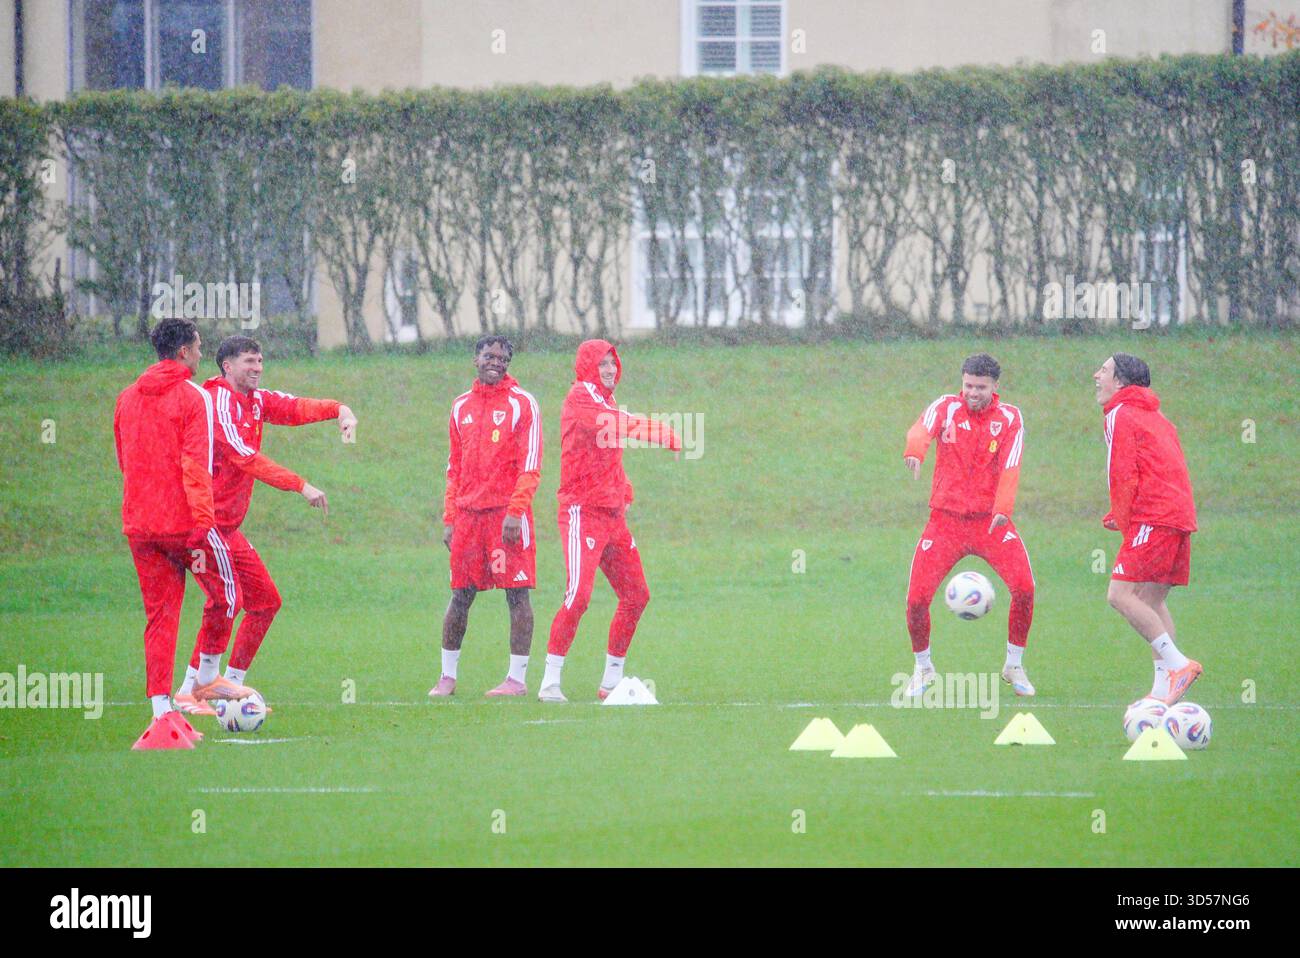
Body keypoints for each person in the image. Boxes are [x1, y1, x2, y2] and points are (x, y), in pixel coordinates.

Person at [172, 335, 356, 714]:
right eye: (249, 361)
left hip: (227, 528)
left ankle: (231, 691)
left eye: (260, 361)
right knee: (225, 601)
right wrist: (300, 485)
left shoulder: (255, 401)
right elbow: (245, 457)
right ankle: (194, 691)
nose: (257, 367)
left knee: (265, 602)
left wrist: (340, 409)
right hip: (201, 523)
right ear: (227, 366)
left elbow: (295, 408)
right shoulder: (218, 400)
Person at [114, 319, 246, 748]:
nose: (201, 352)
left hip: (141, 526)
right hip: (185, 525)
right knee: (229, 595)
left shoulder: (126, 398)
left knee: (160, 617)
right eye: (199, 345)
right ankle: (206, 680)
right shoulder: (194, 397)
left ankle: (162, 714)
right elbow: (197, 464)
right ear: (186, 351)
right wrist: (203, 523)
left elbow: (125, 460)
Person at [539, 339, 680, 703]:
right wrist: (659, 430)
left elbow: (605, 455)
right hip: (581, 513)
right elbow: (615, 425)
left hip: (611, 516)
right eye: (602, 364)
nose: (609, 370)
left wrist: (624, 490)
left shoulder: (606, 399)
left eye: (613, 364)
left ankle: (611, 682)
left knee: (636, 595)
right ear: (587, 365)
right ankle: (549, 682)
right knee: (579, 596)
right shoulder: (580, 397)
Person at [901, 353, 1037, 697]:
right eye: (968, 386)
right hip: (944, 523)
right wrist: (915, 451)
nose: (972, 393)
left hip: (991, 523)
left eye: (980, 387)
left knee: (1025, 589)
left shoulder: (1009, 418)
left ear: (995, 387)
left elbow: (1011, 463)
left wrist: (1003, 506)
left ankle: (1014, 664)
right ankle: (923, 669)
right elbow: (921, 427)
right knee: (917, 599)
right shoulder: (946, 407)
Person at [432, 336, 542, 698]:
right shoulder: (460, 406)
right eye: (489, 356)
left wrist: (515, 511)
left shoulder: (522, 404)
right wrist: (450, 517)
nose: (495, 362)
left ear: (509, 364)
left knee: (517, 595)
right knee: (460, 596)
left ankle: (517, 679)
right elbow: (453, 468)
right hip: (467, 518)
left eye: (503, 358)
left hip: (507, 518)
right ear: (475, 359)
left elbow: (530, 466)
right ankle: (447, 677)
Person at [1094, 353, 1201, 705]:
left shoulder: (1119, 414)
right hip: (1179, 516)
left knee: (1119, 595)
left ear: (1121, 383)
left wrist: (1124, 518)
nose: (1097, 376)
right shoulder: (1157, 416)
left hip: (1153, 516)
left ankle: (1178, 664)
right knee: (1151, 599)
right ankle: (1161, 691)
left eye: (1105, 371)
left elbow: (1121, 472)